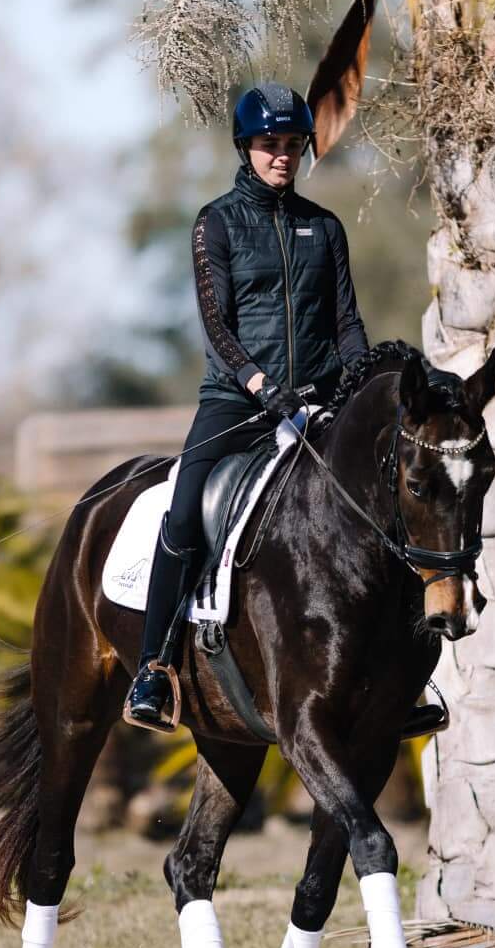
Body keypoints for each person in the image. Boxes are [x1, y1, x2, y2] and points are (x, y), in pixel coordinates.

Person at [121, 82, 368, 731]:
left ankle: (402, 678)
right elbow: (216, 323)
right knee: (182, 512)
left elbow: (346, 322)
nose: (281, 155)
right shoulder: (218, 223)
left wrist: (361, 383)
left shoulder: (326, 227)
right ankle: (153, 668)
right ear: (246, 148)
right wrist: (262, 386)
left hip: (317, 399)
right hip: (237, 404)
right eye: (269, 145)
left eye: (291, 145)